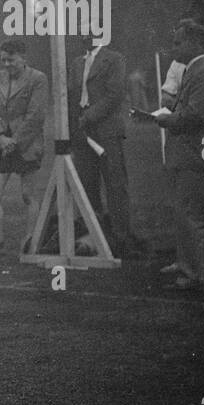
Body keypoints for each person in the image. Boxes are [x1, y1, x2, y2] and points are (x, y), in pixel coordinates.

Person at [155, 19, 204, 290]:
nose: (174, 47)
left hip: (196, 157)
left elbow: (194, 115)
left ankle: (193, 276)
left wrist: (166, 119)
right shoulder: (201, 69)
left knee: (192, 219)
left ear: (193, 43)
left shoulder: (202, 71)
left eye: (178, 42)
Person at [67, 34, 134, 256]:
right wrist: (74, 124)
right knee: (87, 184)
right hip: (83, 134)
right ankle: (95, 235)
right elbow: (72, 95)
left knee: (115, 183)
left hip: (107, 131)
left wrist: (88, 116)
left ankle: (121, 237)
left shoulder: (114, 59)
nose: (82, 36)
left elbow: (115, 95)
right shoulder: (77, 63)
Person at [0, 39, 49, 256]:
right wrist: (1, 137)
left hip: (27, 145)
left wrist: (16, 141)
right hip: (0, 145)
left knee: (28, 195)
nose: (6, 64)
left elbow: (36, 116)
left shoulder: (38, 79)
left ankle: (31, 240)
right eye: (3, 60)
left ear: (23, 58)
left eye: (11, 60)